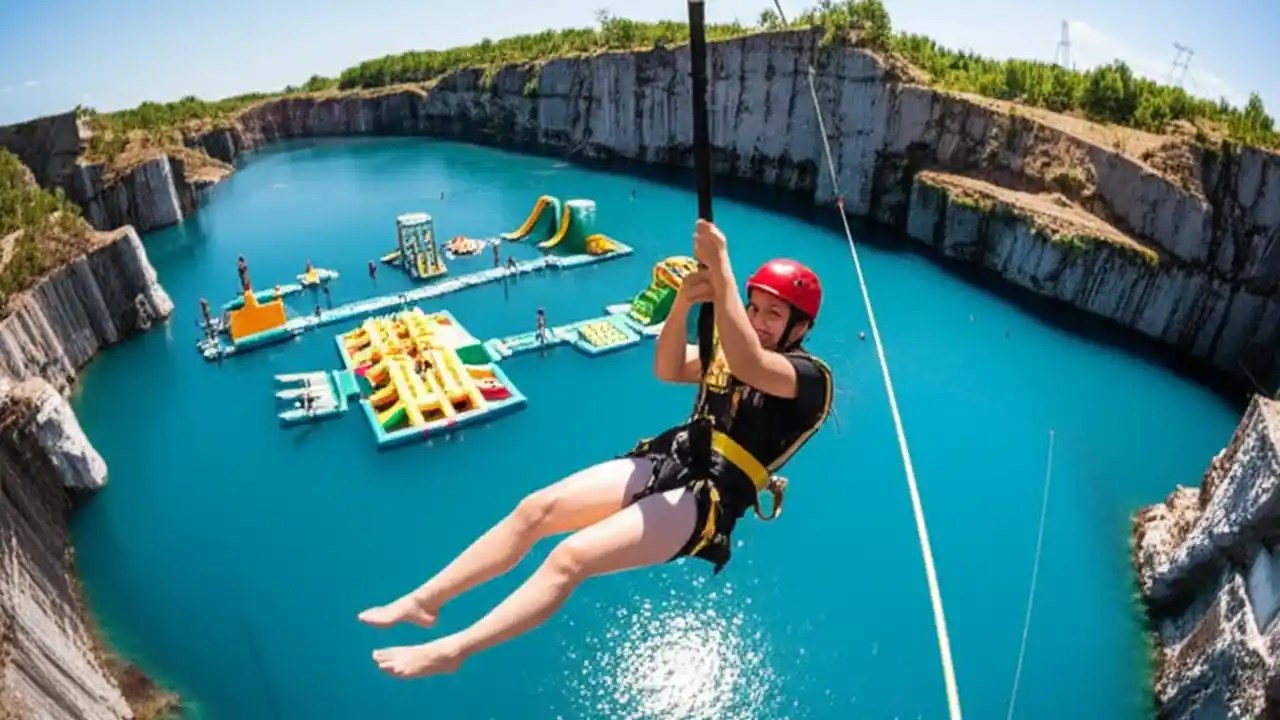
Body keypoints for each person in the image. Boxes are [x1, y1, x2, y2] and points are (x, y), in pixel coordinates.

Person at [359, 219, 834, 679]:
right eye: (753, 309)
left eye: (773, 314)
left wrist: (722, 267)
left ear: (799, 327)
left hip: (710, 497)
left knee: (571, 558)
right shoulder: (732, 351)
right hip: (675, 458)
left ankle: (454, 650)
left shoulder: (810, 378)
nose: (758, 321)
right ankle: (427, 601)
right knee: (535, 509)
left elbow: (752, 364)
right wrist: (682, 304)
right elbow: (668, 368)